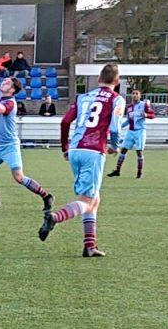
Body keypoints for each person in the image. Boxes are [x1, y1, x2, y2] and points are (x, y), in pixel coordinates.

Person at [38, 63, 120, 258]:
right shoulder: (117, 99)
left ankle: (89, 245)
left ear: (99, 79)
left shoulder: (82, 97)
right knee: (87, 200)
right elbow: (115, 127)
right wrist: (115, 146)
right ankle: (55, 217)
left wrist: (65, 148)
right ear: (116, 82)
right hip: (94, 150)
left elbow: (65, 121)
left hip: (76, 149)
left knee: (94, 198)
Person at [0, 77, 54, 210]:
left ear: (12, 90)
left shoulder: (10, 103)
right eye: (4, 81)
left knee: (19, 177)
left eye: (7, 83)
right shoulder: (2, 99)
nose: (3, 82)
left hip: (10, 146)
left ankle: (46, 196)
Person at [108, 89, 156, 178]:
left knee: (139, 152)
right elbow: (128, 120)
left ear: (140, 96)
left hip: (140, 131)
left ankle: (139, 173)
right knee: (123, 150)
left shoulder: (143, 105)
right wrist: (119, 126)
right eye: (133, 93)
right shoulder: (129, 107)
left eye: (136, 93)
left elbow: (153, 115)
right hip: (130, 132)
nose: (134, 95)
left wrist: (146, 115)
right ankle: (117, 171)